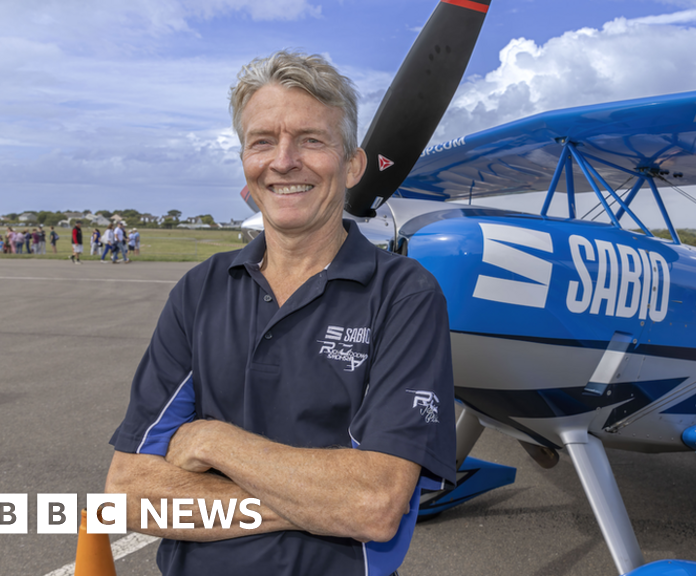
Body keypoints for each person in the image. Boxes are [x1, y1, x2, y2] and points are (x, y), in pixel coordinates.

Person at [105, 51, 455, 576]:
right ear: (246, 160)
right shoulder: (200, 288)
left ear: (353, 163)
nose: (284, 160)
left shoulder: (405, 294)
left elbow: (374, 505)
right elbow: (129, 494)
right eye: (262, 140)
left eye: (312, 140)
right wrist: (315, 503)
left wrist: (211, 441)